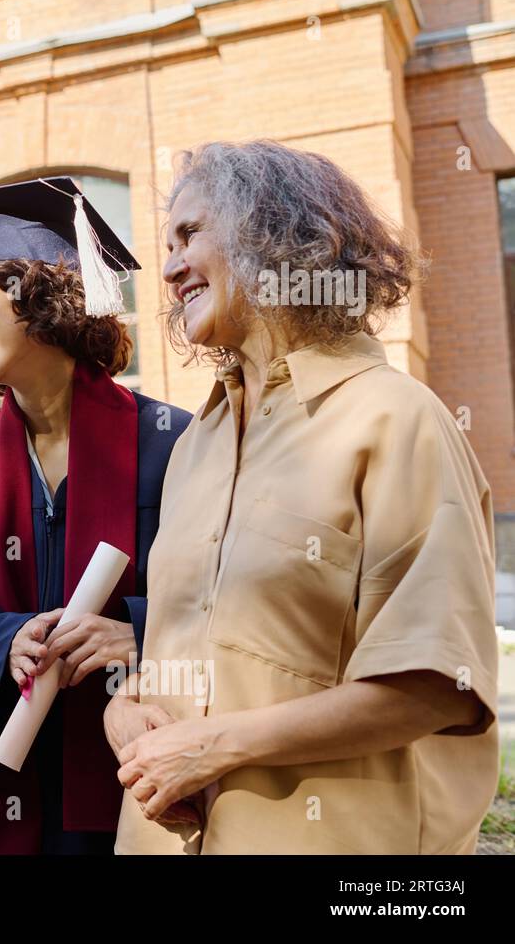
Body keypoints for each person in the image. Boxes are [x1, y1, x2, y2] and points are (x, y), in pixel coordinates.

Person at [110, 140, 499, 855]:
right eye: (165, 245)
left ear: (271, 231)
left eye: (189, 235)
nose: (165, 269)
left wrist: (214, 748)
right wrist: (126, 709)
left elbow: (438, 685)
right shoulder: (197, 440)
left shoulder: (396, 419)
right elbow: (184, 632)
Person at [0, 177, 191, 854]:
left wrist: (139, 635)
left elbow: (234, 596)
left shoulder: (172, 442)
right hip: (12, 766)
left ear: (36, 289)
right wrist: (5, 644)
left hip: (146, 757)